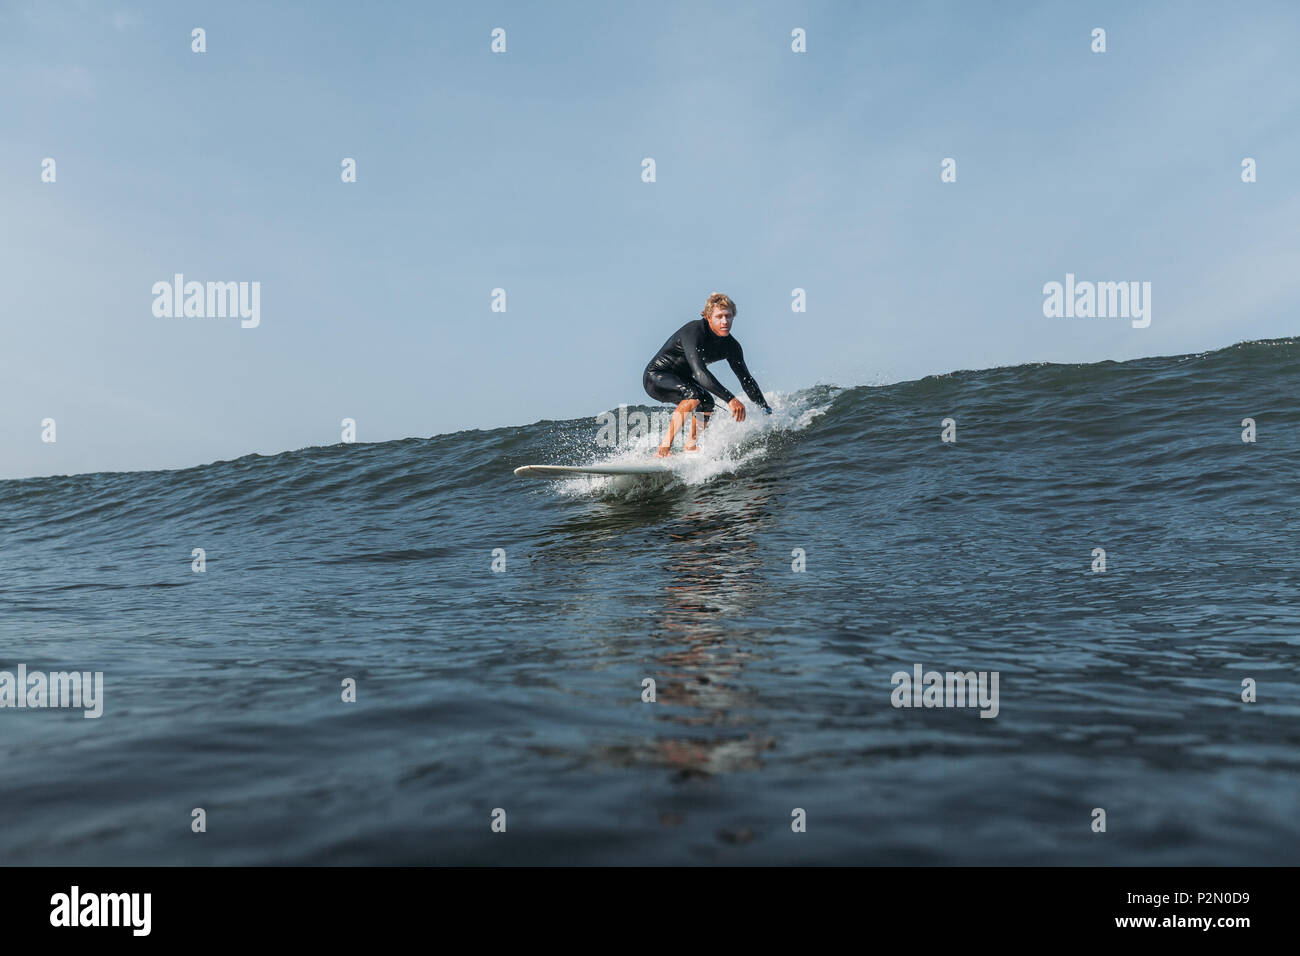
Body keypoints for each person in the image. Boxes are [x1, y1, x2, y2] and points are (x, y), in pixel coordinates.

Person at [642, 293, 771, 457]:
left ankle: (690, 446)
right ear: (709, 318)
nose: (725, 321)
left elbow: (747, 381)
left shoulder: (731, 346)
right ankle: (663, 449)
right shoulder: (694, 331)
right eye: (719, 317)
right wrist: (731, 400)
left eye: (728, 316)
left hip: (683, 379)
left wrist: (765, 409)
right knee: (693, 395)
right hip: (656, 377)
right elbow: (699, 373)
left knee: (707, 402)